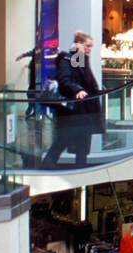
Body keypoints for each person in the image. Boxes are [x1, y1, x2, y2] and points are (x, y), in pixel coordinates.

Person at [41, 31, 102, 169]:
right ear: (78, 44)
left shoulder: (77, 59)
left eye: (91, 46)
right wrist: (77, 90)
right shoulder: (69, 59)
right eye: (87, 46)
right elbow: (66, 80)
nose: (89, 49)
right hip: (75, 110)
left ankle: (71, 166)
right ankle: (53, 164)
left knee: (76, 140)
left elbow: (78, 79)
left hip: (81, 109)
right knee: (67, 139)